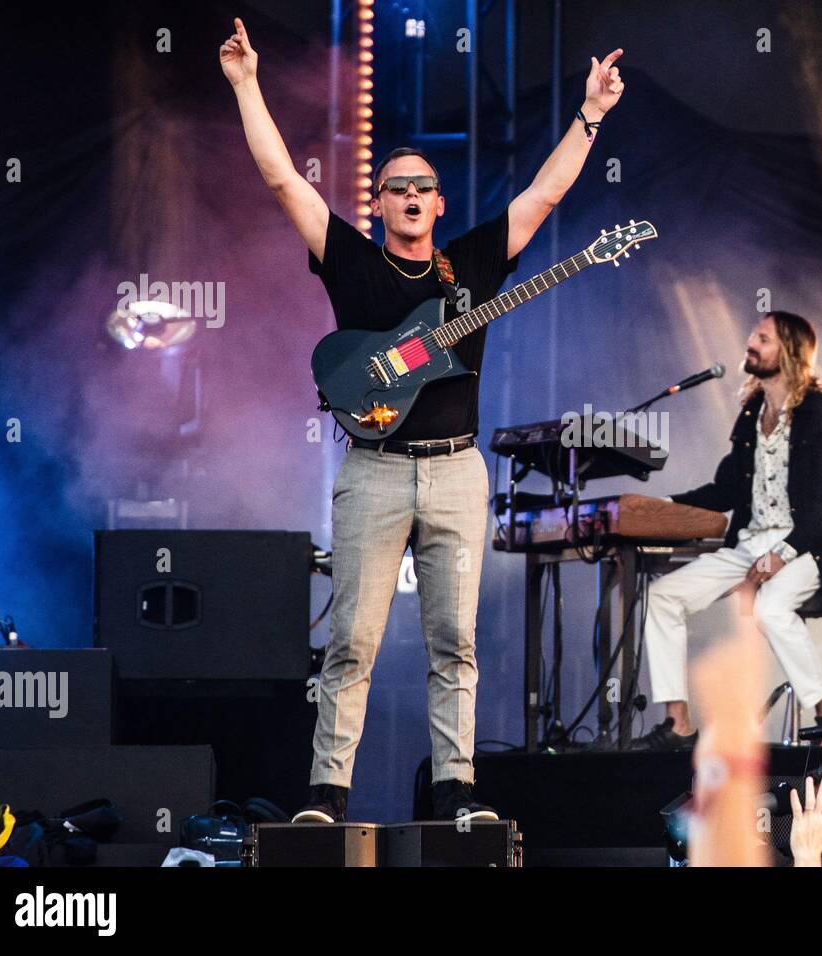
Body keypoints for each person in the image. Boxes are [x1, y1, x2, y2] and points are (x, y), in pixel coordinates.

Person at [219, 17, 625, 823]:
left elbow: (545, 193)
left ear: (439, 201)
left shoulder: (471, 263)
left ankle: (458, 796)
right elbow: (280, 181)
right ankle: (326, 798)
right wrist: (244, 84)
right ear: (377, 203)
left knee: (456, 647)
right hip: (373, 472)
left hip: (456, 470)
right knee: (352, 646)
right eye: (394, 186)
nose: (408, 196)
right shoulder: (352, 261)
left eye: (421, 186)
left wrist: (591, 115)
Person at [632, 311, 822, 750]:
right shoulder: (752, 412)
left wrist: (781, 555)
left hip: (807, 547)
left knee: (770, 609)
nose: (750, 344)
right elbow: (727, 489)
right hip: (749, 543)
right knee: (662, 596)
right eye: (753, 336)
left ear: (790, 353)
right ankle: (678, 722)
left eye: (763, 338)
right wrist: (664, 507)